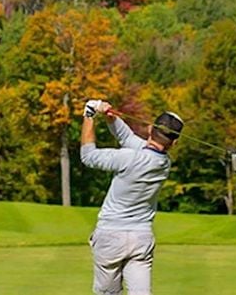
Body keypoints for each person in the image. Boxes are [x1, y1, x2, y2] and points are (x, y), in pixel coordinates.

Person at [79, 99, 184, 295]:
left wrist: (89, 114)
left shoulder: (129, 158)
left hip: (110, 236)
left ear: (151, 128)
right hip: (141, 239)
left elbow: (88, 156)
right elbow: (129, 140)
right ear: (174, 142)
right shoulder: (164, 163)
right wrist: (112, 119)